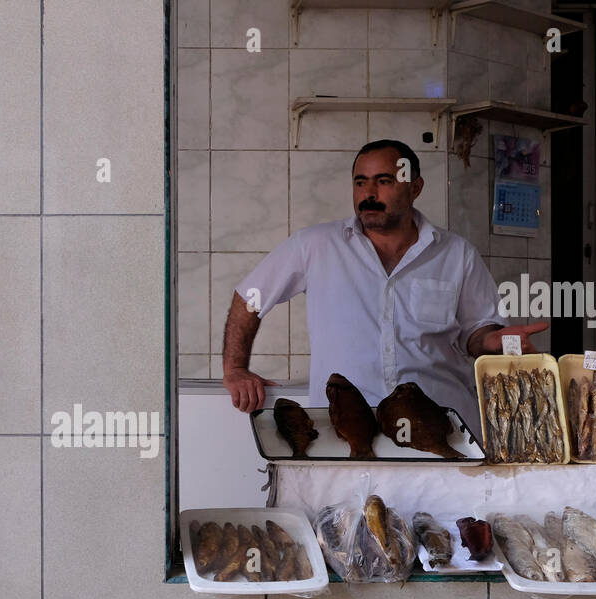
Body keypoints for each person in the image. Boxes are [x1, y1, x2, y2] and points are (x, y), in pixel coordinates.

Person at [221, 138, 548, 438]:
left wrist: (494, 340)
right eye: (360, 182)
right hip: (346, 431)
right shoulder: (315, 246)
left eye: (384, 181)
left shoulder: (456, 253)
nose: (369, 194)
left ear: (415, 187)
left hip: (444, 427)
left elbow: (476, 332)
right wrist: (235, 368)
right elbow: (249, 297)